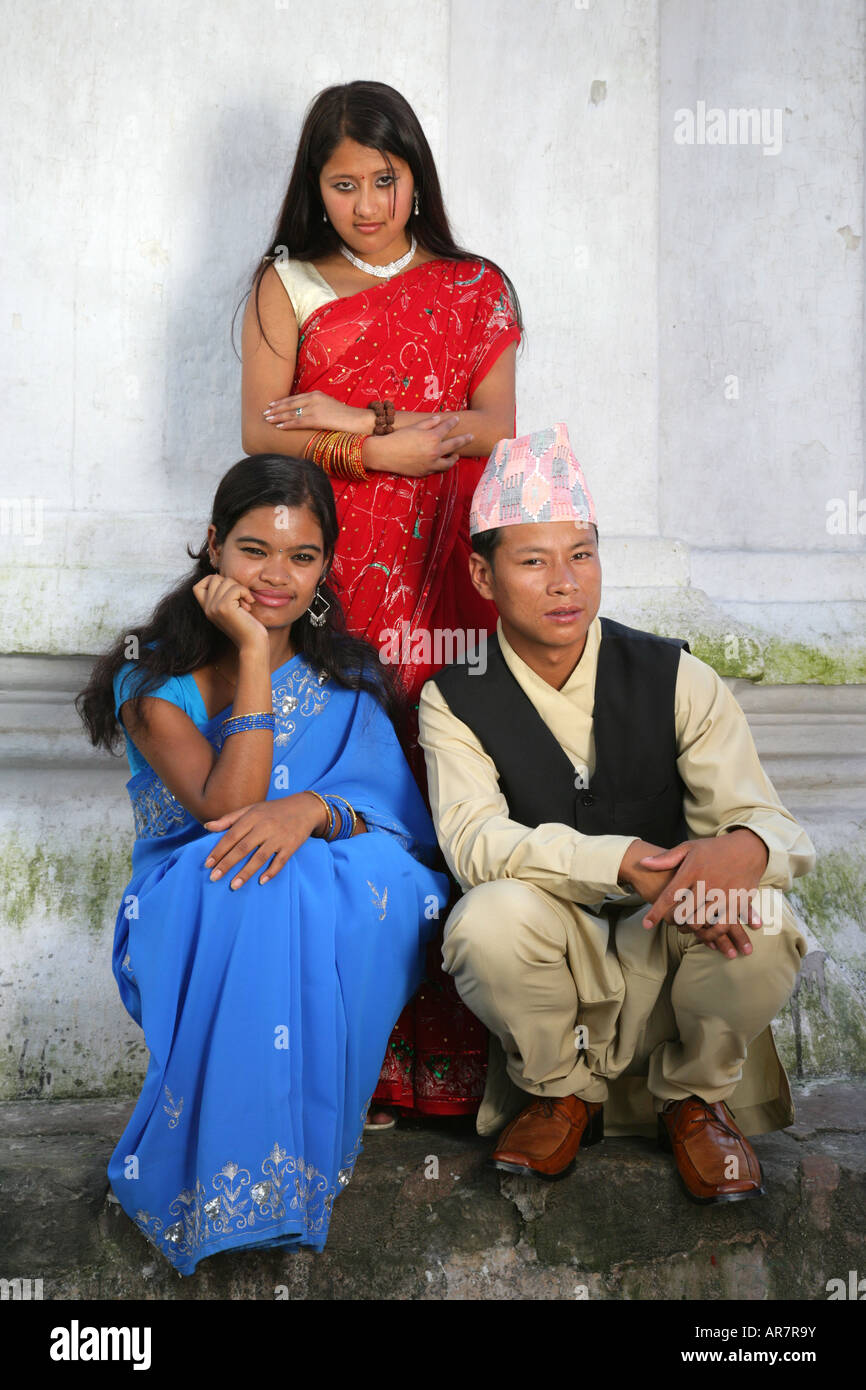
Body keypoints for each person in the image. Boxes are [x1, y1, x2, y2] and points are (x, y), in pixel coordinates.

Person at [417, 423, 814, 1201]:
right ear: (483, 573)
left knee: (760, 915)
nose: (565, 583)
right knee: (483, 919)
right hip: (558, 945)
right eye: (533, 561)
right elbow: (473, 843)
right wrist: (617, 859)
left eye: (582, 556)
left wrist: (736, 854)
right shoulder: (454, 696)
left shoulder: (676, 675)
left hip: (673, 932)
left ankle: (698, 1100)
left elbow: (771, 825)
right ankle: (559, 1090)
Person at [76, 455, 449, 1274]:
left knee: (324, 878)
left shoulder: (344, 682)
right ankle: (242, 1179)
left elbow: (398, 824)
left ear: (325, 565)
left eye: (302, 557)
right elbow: (224, 806)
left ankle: (292, 1171)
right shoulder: (152, 681)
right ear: (213, 547)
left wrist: (311, 809)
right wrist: (250, 651)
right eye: (255, 550)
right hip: (192, 895)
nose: (277, 577)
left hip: (316, 877)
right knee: (249, 876)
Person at [240, 80, 522, 1121]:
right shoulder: (286, 285)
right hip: (337, 578)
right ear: (315, 186)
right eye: (344, 181)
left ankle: (458, 1060)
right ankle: (353, 1052)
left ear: (416, 177)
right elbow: (262, 435)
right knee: (351, 781)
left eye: (385, 178)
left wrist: (368, 418)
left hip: (450, 571)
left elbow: (492, 426)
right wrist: (370, 452)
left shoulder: (472, 285)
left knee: (450, 781)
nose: (366, 203)